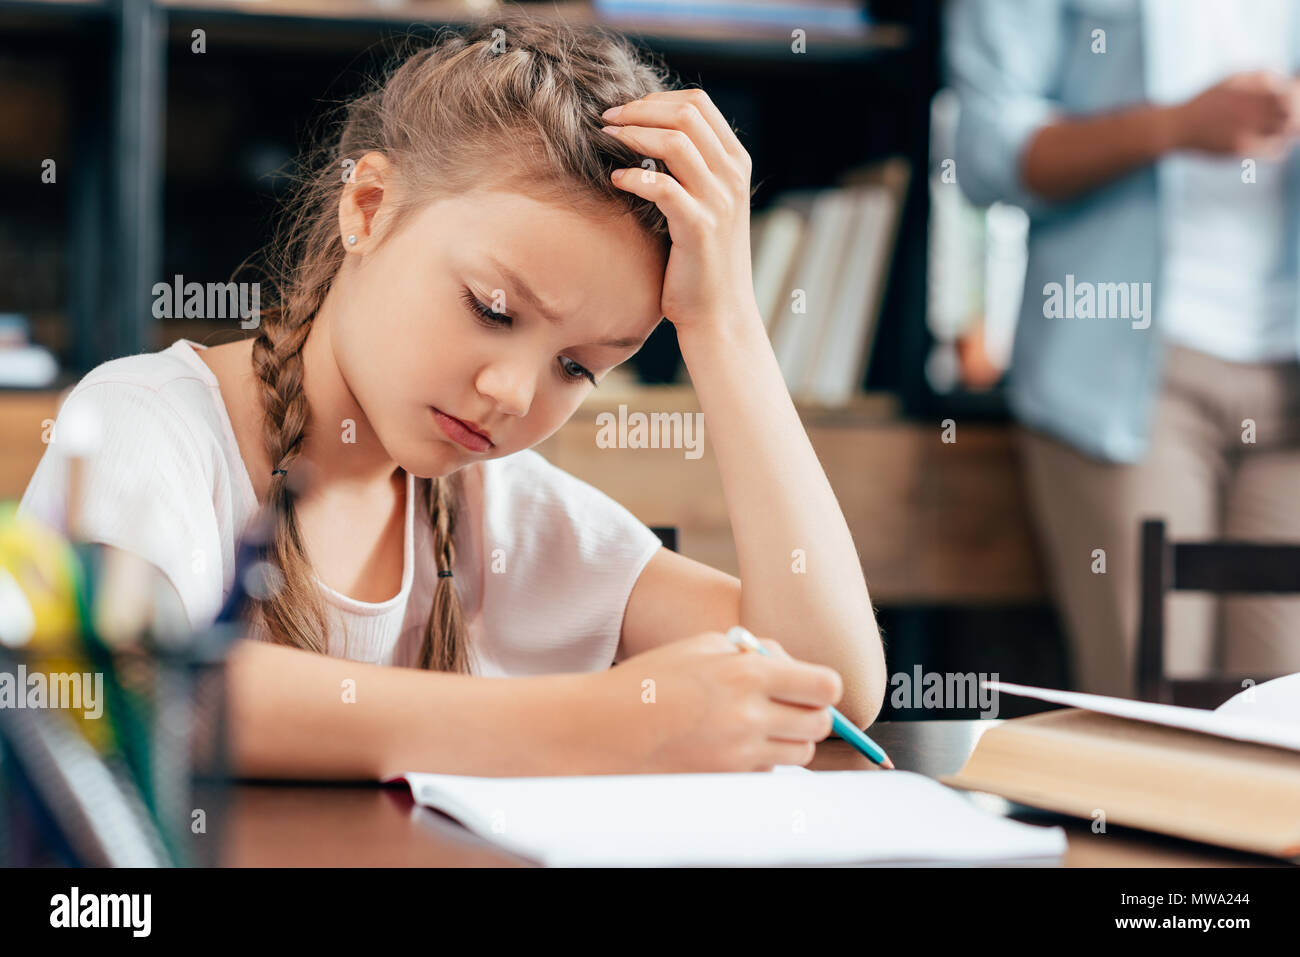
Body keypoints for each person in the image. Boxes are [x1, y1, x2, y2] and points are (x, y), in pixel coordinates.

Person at [19, 14, 885, 778]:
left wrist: (725, 328)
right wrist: (611, 723)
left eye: (579, 367)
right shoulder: (147, 422)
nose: (512, 393)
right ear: (367, 205)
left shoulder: (508, 516)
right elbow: (147, 683)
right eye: (492, 308)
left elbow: (827, 681)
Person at [947, 0, 1300, 697]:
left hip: (1287, 380)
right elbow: (985, 151)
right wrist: (1174, 127)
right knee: (1155, 717)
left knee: (1283, 724)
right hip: (1121, 379)